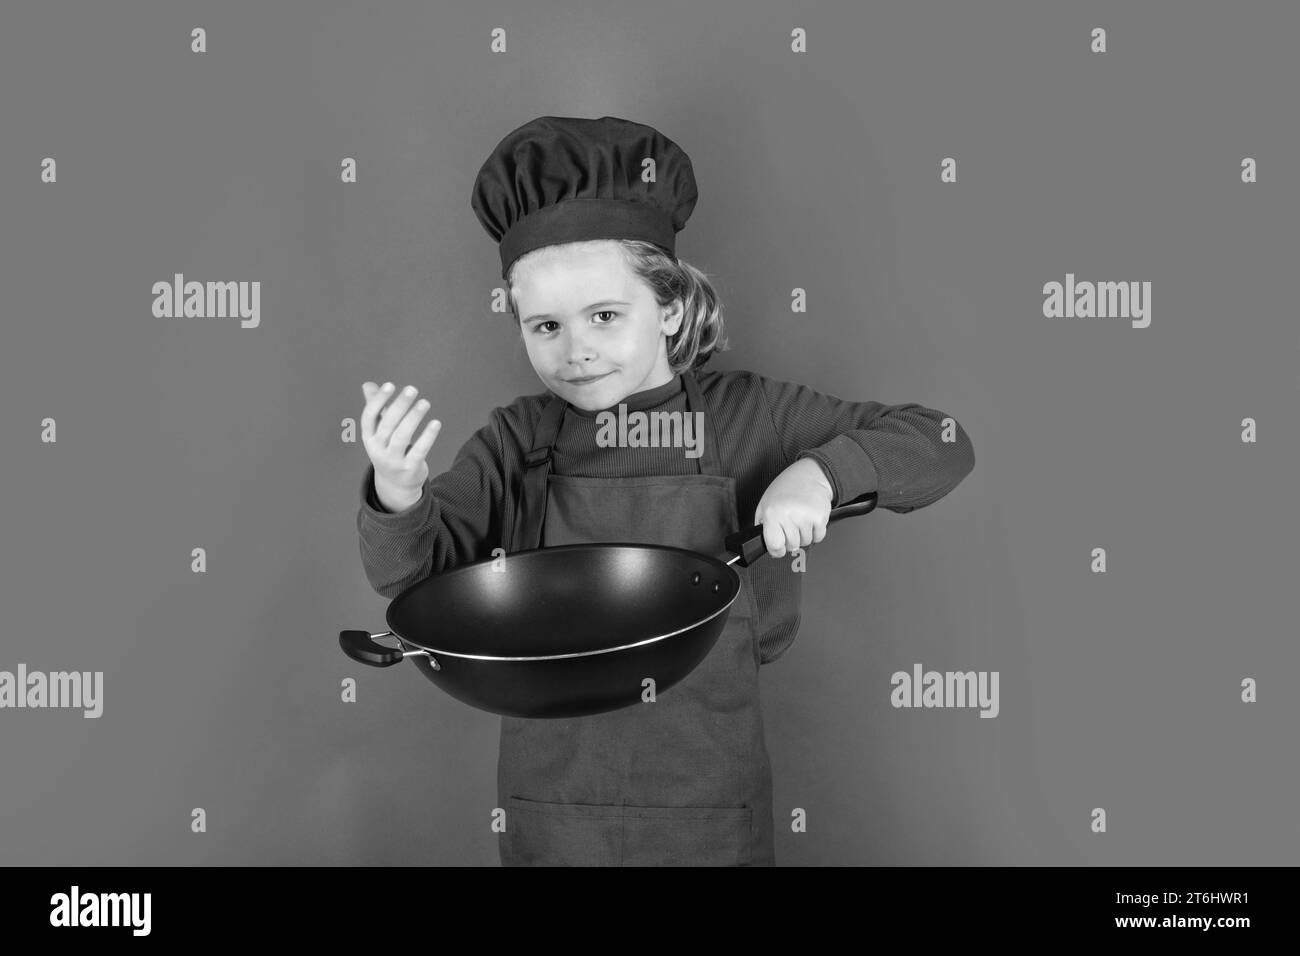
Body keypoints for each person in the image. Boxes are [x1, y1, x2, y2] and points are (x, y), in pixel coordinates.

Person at [356, 115, 975, 866]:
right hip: (553, 816)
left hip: (708, 814)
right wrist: (397, 492)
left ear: (672, 307)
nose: (576, 349)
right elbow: (414, 582)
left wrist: (820, 474)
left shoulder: (751, 417)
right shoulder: (517, 439)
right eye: (544, 325)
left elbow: (940, 443)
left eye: (605, 316)